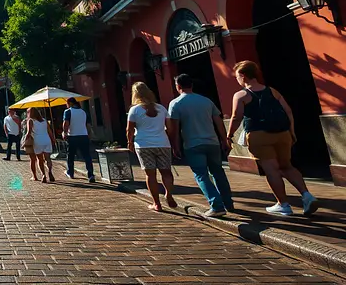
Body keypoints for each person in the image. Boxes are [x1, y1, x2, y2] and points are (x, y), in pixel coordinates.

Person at [226, 61, 318, 216]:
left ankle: (283, 204)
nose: (237, 80)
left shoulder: (241, 95)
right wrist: (292, 131)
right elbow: (288, 111)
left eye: (237, 77)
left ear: (243, 76)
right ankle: (307, 195)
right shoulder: (272, 91)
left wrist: (229, 135)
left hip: (259, 135)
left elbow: (236, 117)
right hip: (282, 134)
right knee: (287, 166)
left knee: (271, 170)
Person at [168, 74, 233, 217]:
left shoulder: (176, 103)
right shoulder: (206, 101)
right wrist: (224, 139)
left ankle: (216, 205)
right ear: (192, 85)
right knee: (218, 172)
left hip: (193, 144)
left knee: (201, 175)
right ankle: (228, 203)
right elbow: (218, 121)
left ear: (178, 86)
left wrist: (175, 146)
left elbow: (175, 128)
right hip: (212, 142)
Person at [127, 82, 177, 212]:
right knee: (166, 172)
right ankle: (169, 194)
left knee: (150, 175)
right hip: (163, 143)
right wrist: (167, 138)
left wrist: (130, 142)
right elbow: (170, 128)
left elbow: (129, 129)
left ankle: (157, 203)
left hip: (143, 145)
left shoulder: (135, 109)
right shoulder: (161, 108)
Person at [62, 98, 96, 183]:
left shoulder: (68, 111)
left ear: (70, 103)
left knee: (71, 156)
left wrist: (65, 133)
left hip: (73, 136)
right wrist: (89, 135)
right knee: (87, 156)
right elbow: (88, 125)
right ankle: (91, 174)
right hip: (84, 136)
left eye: (67, 103)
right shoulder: (84, 112)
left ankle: (70, 172)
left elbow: (66, 123)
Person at [22, 108, 56, 182]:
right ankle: (50, 171)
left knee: (40, 159)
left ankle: (43, 175)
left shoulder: (30, 120)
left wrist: (24, 142)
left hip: (38, 141)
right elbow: (50, 132)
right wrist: (53, 140)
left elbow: (28, 132)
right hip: (47, 140)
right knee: (48, 158)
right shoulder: (44, 120)